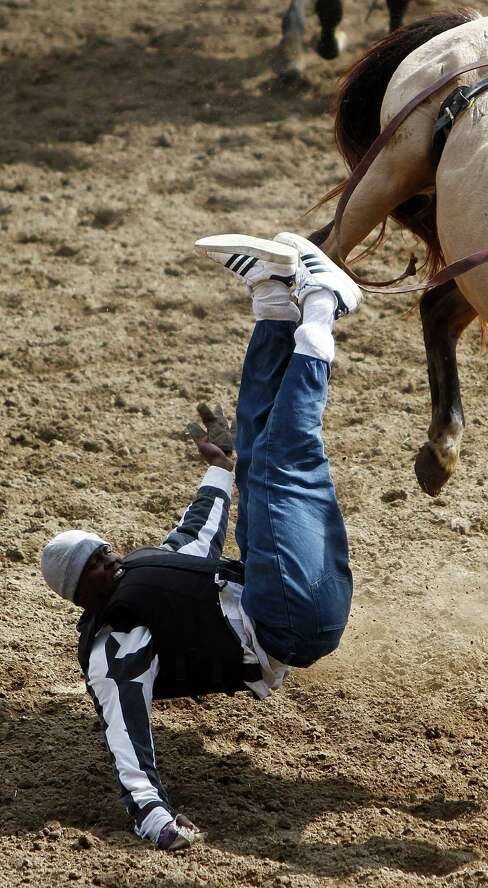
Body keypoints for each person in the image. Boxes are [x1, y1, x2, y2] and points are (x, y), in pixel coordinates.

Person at [40, 232, 362, 850]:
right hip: (290, 623)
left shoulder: (139, 574)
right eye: (95, 566)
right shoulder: (116, 645)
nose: (109, 561)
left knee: (251, 447)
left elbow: (199, 530)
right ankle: (325, 306)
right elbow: (125, 735)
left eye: (104, 550)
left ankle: (274, 304)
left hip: (282, 594)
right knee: (281, 459)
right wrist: (152, 817)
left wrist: (216, 466)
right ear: (82, 594)